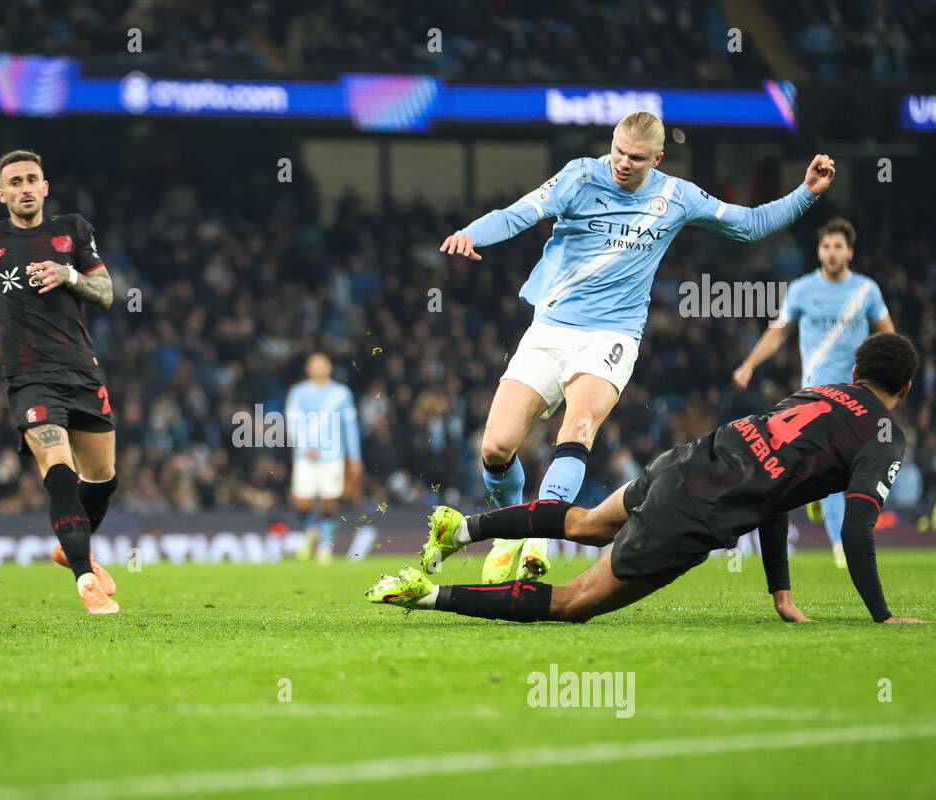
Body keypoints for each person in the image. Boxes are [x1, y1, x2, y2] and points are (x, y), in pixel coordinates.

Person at [440, 111, 835, 585]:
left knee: (579, 426)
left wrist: (806, 192)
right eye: (619, 151)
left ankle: (537, 541)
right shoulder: (579, 177)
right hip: (549, 328)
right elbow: (517, 214)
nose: (623, 163)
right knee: (496, 446)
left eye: (636, 158)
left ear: (658, 159)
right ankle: (511, 531)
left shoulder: (676, 196)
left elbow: (749, 224)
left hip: (611, 336)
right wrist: (470, 234)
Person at [368, 333, 924, 626]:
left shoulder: (819, 393)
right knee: (572, 602)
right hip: (699, 510)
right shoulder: (882, 435)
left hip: (687, 459)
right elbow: (855, 529)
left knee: (585, 522)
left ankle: (462, 530)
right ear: (903, 391)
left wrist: (781, 592)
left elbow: (776, 487)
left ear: (854, 372)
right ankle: (430, 595)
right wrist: (882, 612)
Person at [0, 149, 120, 614]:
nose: (25, 187)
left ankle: (73, 547)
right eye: (14, 182)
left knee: (102, 481)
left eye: (32, 179)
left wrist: (68, 273)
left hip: (81, 372)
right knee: (58, 473)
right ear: (1, 193)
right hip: (30, 380)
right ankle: (85, 580)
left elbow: (108, 293)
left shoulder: (72, 230)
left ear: (45, 186)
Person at [732, 217, 894, 569]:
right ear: (819, 251)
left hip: (857, 393)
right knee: (837, 464)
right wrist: (749, 364)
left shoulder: (867, 290)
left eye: (838, 247)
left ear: (849, 252)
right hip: (817, 394)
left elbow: (887, 333)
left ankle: (825, 512)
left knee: (849, 467)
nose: (832, 253)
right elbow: (778, 333)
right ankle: (839, 540)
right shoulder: (802, 290)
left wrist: (893, 376)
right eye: (826, 246)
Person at [285, 353, 362, 563]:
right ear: (308, 369)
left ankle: (325, 544)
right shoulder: (298, 392)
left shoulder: (341, 393)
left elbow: (350, 426)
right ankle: (311, 531)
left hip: (332, 456)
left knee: (329, 502)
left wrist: (355, 456)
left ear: (329, 368)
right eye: (314, 364)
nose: (318, 368)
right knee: (302, 502)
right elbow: (292, 422)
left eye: (322, 364)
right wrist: (303, 446)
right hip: (305, 457)